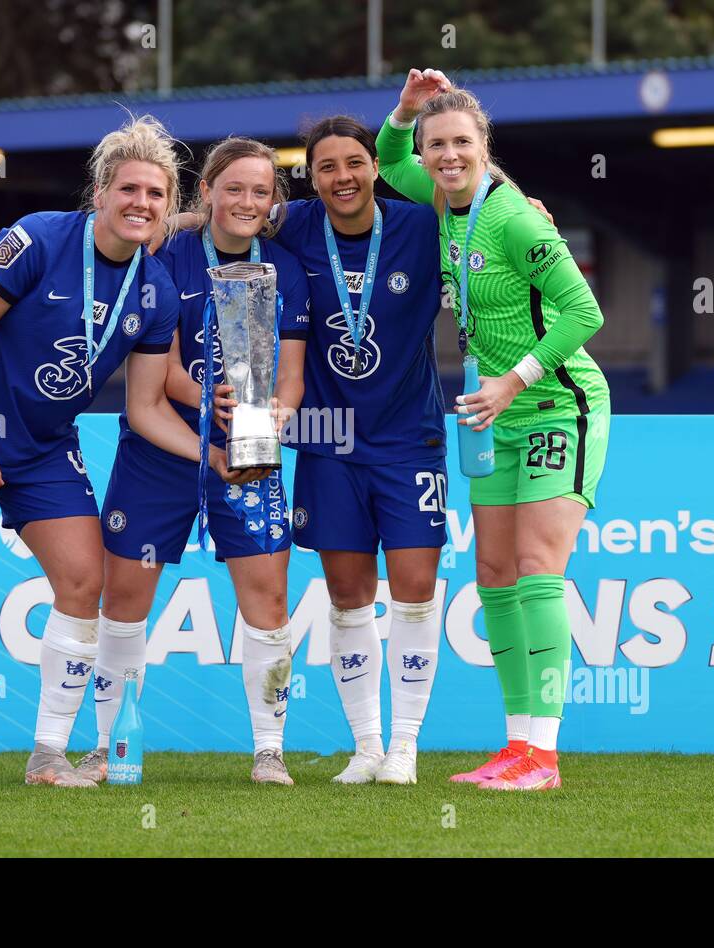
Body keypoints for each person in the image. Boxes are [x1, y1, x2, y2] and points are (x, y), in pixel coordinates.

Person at [0, 114, 250, 789]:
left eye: (156, 195)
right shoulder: (37, 240)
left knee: (82, 582)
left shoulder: (153, 290)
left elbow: (148, 405)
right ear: (99, 194)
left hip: (43, 449)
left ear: (167, 206)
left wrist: (209, 454)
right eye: (129, 190)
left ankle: (47, 757)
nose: (142, 204)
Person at [377, 69, 611, 791]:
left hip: (555, 405)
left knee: (539, 573)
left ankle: (544, 757)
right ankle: (516, 748)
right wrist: (405, 110)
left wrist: (513, 382)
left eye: (460, 143)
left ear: (484, 146)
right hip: (492, 419)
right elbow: (387, 161)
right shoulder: (442, 199)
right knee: (496, 578)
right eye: (435, 144)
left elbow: (585, 313)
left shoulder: (515, 218)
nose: (447, 155)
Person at [77, 137, 311, 786]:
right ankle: (107, 748)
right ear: (204, 192)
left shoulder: (285, 269)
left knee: (267, 601)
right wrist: (219, 399)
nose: (245, 201)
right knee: (123, 599)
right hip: (159, 452)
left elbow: (289, 375)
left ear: (272, 202)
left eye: (259, 191)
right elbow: (162, 370)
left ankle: (270, 751)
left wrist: (274, 413)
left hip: (249, 453)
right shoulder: (165, 254)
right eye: (231, 188)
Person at [256, 115, 450, 786]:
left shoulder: (420, 225)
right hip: (327, 440)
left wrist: (526, 201)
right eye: (327, 167)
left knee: (417, 589)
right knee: (346, 592)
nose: (342, 177)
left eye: (354, 163)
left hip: (408, 437)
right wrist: (187, 224)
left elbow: (475, 192)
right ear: (311, 177)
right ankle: (366, 747)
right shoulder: (293, 226)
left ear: (376, 167)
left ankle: (405, 746)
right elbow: (230, 211)